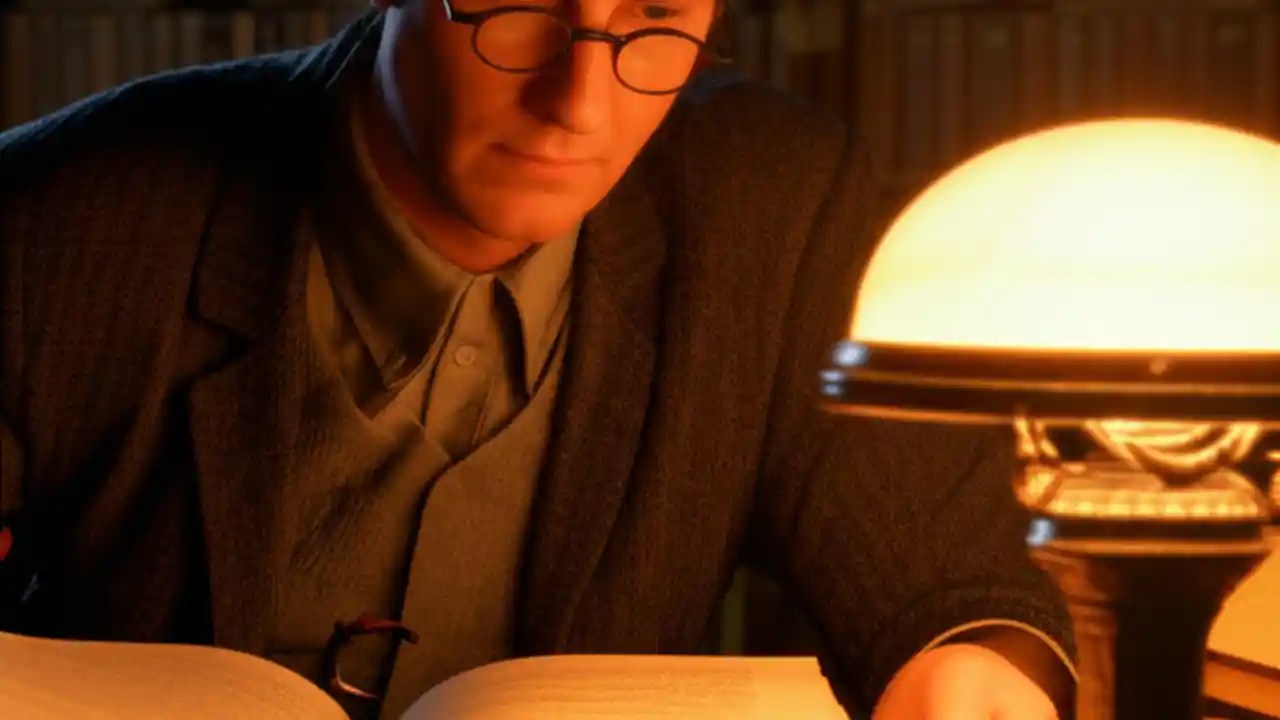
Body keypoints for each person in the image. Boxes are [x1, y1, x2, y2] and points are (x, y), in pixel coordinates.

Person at [0, 1, 1077, 718]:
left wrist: (969, 662)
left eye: (653, 19)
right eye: (517, 8)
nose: (578, 103)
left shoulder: (773, 209)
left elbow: (948, 575)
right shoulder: (72, 211)